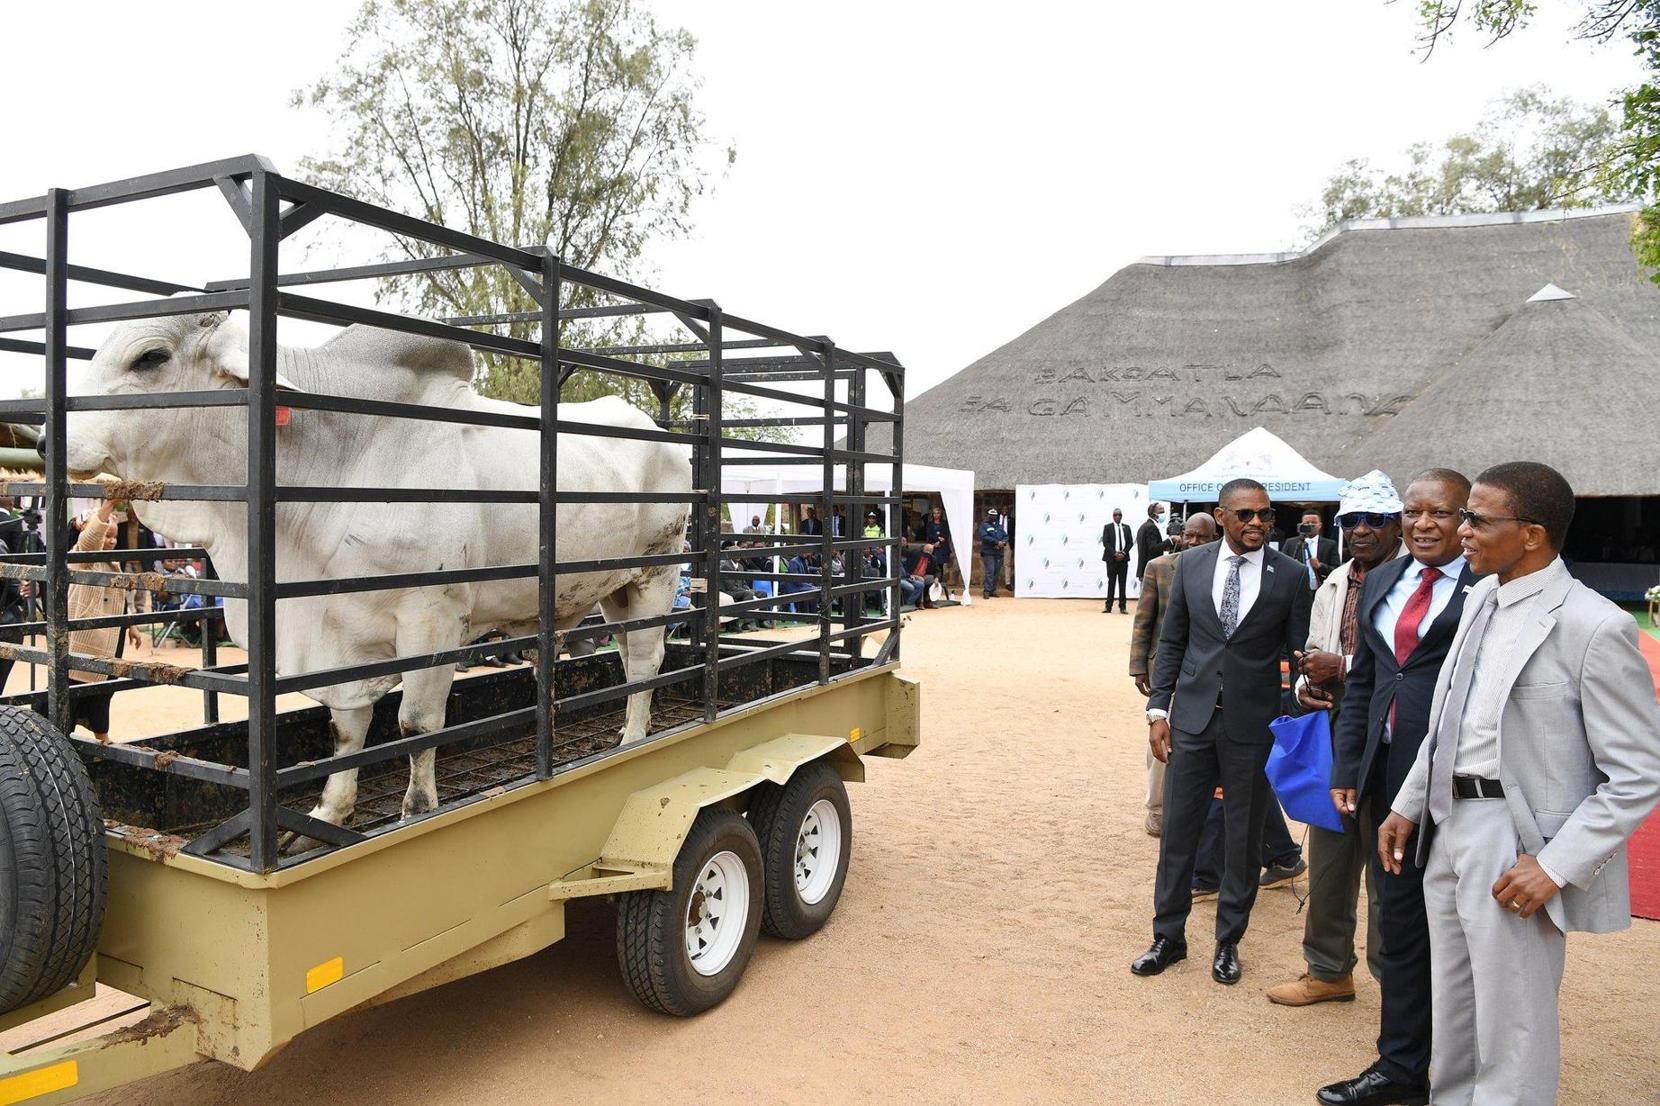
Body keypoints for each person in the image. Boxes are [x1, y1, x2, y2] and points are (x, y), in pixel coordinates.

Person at [1378, 462, 1660, 1105]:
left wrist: (1556, 865)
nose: (1462, 530)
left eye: (1477, 518)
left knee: (1514, 1019)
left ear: (1531, 534)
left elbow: (1639, 773)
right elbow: (1450, 716)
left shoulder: (1594, 625)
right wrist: (1410, 803)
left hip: (1519, 840)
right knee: (1454, 1007)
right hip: (1450, 825)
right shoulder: (1480, 597)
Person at [1310, 469, 1474, 1106]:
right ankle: (1401, 1069)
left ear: (1467, 519)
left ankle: (1468, 1065)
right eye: (1413, 512)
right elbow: (1368, 689)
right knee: (1401, 922)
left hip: (1457, 784)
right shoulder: (1383, 581)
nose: (1424, 524)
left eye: (1442, 512)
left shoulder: (1488, 587)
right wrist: (1347, 769)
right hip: (1384, 780)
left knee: (1460, 927)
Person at [1132, 478, 1312, 986]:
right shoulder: (1189, 565)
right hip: (1190, 720)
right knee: (1178, 832)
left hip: (1252, 728)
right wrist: (1157, 711)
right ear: (1223, 515)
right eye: (1246, 515)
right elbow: (1172, 644)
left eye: (1265, 515)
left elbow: (1296, 652)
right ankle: (1168, 937)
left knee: (1242, 837)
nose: (1257, 523)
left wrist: (1294, 706)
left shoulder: (1292, 575)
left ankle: (1228, 941)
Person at [1267, 471, 1406, 1010]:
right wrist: (1306, 687)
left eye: (1375, 521)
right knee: (1329, 857)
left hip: (1394, 736)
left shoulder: (1417, 583)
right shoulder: (1334, 580)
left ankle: (1400, 989)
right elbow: (1311, 651)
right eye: (1353, 521)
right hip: (1335, 732)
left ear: (1397, 525)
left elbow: (1413, 667)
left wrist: (1342, 666)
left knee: (1390, 869)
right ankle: (1327, 970)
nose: (1363, 531)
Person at [1129, 513, 1217, 834]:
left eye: (1201, 538)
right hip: (1164, 669)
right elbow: (1143, 620)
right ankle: (1156, 809)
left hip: (1204, 673)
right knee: (1160, 738)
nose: (1193, 542)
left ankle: (1192, 810)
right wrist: (1139, 666)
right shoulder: (1159, 567)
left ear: (1214, 538)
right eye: (1188, 536)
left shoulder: (1220, 571)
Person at [67, 502, 127, 743]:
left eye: (115, 536)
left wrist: (131, 626)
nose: (112, 541)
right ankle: (58, 740)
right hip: (86, 638)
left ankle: (102, 735)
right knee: (72, 690)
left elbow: (119, 601)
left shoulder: (113, 563)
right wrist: (109, 503)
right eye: (107, 535)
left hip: (109, 638)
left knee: (104, 690)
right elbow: (91, 539)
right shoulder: (84, 556)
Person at [1283, 510, 1339, 590]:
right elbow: (1282, 567)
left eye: (1314, 522)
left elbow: (1337, 569)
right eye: (1307, 523)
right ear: (1301, 525)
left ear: (1320, 525)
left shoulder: (1330, 544)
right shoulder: (1291, 543)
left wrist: (1320, 566)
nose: (1310, 525)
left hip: (1321, 590)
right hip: (1296, 590)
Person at [1102, 508, 1134, 614]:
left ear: (1121, 516)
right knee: (1111, 582)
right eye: (1116, 515)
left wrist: (1123, 553)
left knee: (1122, 582)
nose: (1118, 516)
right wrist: (1115, 553)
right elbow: (1105, 542)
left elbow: (1130, 542)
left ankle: (1122, 606)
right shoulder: (1107, 527)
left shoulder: (1126, 527)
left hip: (1123, 559)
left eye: (1119, 515)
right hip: (1111, 559)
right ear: (1113, 516)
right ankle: (1108, 606)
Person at [976, 508, 1009, 599]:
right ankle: (986, 591)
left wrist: (1002, 543)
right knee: (990, 571)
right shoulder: (984, 525)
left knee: (996, 572)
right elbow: (984, 536)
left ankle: (993, 590)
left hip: (998, 552)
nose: (992, 517)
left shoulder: (999, 526)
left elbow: (1005, 536)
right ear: (988, 515)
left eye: (994, 515)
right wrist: (996, 542)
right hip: (988, 552)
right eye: (991, 515)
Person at [1135, 502, 1169, 576]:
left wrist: (1164, 547)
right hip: (1150, 570)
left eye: (1164, 511)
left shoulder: (1144, 526)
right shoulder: (1151, 527)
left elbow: (1148, 547)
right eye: (1161, 512)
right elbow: (1153, 548)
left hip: (1146, 569)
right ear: (1154, 513)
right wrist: (1170, 540)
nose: (1163, 514)